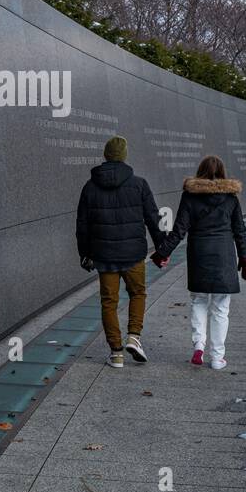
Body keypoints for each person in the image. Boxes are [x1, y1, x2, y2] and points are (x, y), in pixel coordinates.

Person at [151, 155, 246, 371]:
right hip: (223, 255)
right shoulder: (231, 198)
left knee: (199, 301)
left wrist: (163, 252)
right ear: (222, 173)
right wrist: (245, 257)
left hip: (199, 254)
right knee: (221, 308)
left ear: (200, 172)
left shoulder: (190, 197)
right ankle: (217, 357)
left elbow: (179, 229)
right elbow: (239, 230)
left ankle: (198, 345)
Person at [76, 136, 164, 369]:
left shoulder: (89, 186)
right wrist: (162, 249)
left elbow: (82, 225)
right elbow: (153, 219)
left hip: (104, 255)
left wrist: (84, 254)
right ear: (124, 156)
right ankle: (134, 337)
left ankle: (116, 352)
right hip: (133, 254)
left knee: (109, 302)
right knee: (137, 294)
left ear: (106, 155)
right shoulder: (139, 184)